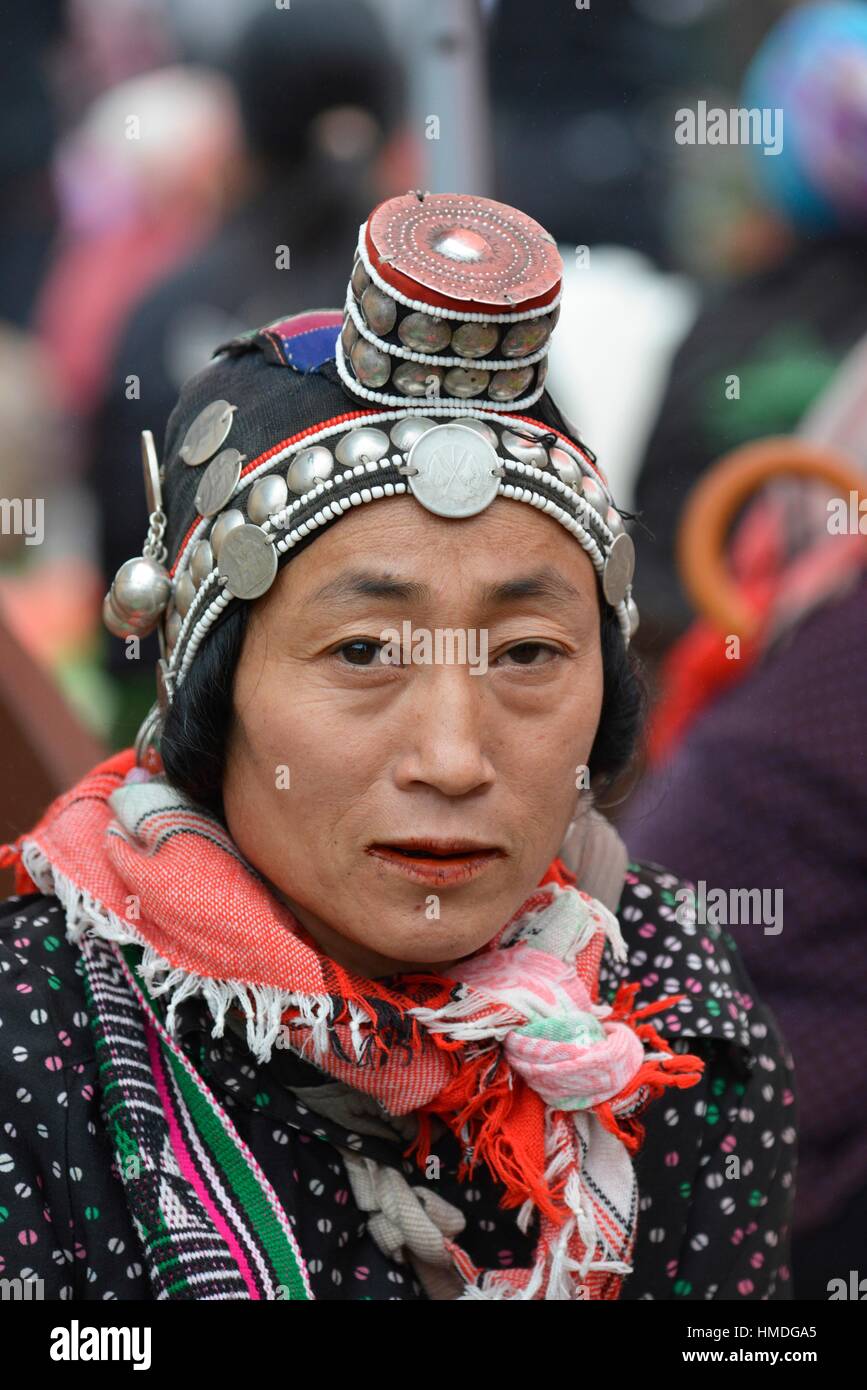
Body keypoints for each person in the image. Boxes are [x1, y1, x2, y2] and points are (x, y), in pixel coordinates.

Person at [0, 192, 795, 1301]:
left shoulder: (661, 993)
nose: (455, 757)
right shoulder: (39, 1030)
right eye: (366, 650)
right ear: (212, 697)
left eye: (525, 654)